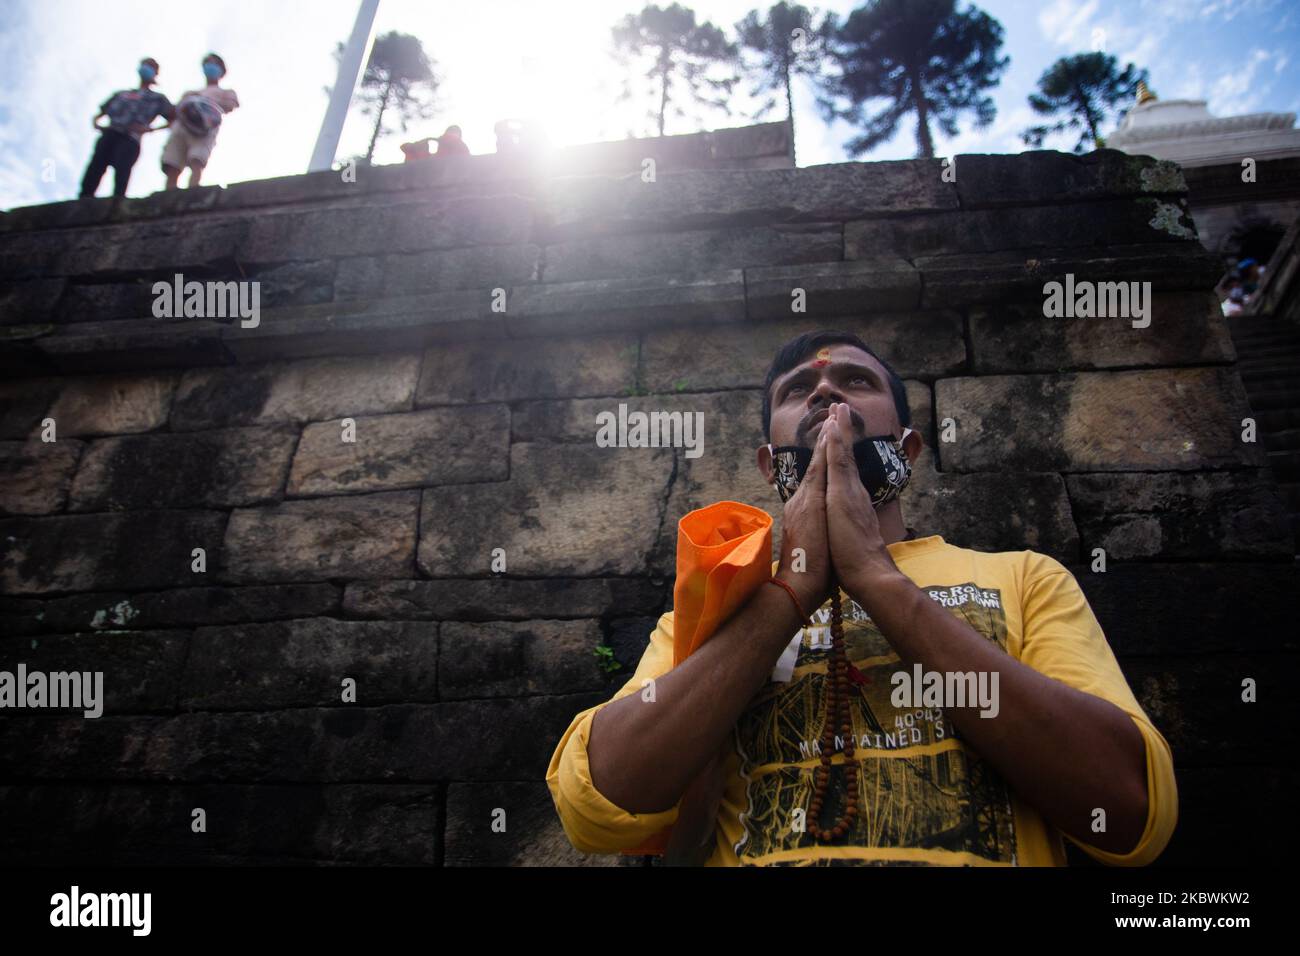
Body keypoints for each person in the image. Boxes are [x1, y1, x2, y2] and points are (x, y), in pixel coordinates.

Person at [547, 329, 1178, 866]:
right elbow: (597, 803)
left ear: (907, 449)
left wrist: (876, 578)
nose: (825, 391)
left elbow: (1126, 811)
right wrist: (792, 591)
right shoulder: (713, 609)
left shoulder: (1025, 577)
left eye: (856, 382)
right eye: (798, 390)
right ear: (770, 465)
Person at [79, 58, 174, 199]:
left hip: (131, 138)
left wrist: (150, 129)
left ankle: (117, 202)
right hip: (110, 132)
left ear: (155, 74)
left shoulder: (157, 98)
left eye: (150, 67)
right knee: (96, 167)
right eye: (145, 65)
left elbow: (173, 119)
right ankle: (84, 199)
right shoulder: (121, 94)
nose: (146, 68)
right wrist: (96, 122)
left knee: (122, 170)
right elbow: (101, 112)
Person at [161, 53, 239, 190]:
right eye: (208, 63)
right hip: (181, 126)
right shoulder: (189, 92)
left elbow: (230, 106)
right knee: (173, 161)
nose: (211, 66)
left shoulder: (225, 92)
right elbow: (176, 113)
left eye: (214, 64)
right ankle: (169, 194)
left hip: (205, 127)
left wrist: (205, 102)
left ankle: (193, 190)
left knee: (197, 159)